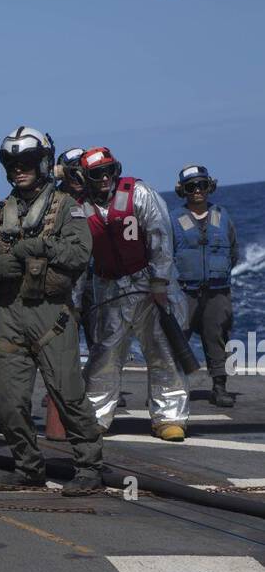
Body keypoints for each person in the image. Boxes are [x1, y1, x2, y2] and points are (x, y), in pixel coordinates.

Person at [0, 127, 103, 495]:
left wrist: (38, 247)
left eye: (25, 162)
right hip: (9, 314)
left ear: (42, 163)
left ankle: (88, 465)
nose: (18, 170)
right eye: (12, 164)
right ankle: (28, 466)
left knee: (68, 394)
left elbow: (78, 256)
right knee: (5, 397)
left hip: (51, 315)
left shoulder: (67, 208)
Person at [78, 146, 190, 441]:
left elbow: (160, 236)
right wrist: (74, 300)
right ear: (85, 177)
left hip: (148, 284)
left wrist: (160, 281)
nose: (103, 179)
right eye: (96, 174)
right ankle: (97, 416)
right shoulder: (79, 208)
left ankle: (169, 417)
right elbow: (76, 258)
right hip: (109, 289)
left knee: (162, 350)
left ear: (115, 171)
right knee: (105, 353)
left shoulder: (140, 194)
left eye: (108, 172)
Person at [171, 164, 240, 408]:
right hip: (184, 293)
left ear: (209, 186)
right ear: (183, 191)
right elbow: (165, 255)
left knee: (217, 337)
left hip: (217, 291)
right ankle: (172, 389)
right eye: (191, 187)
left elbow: (233, 252)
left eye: (202, 185)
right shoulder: (174, 220)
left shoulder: (223, 216)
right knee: (176, 340)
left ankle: (220, 387)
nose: (197, 191)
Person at [54, 148, 95, 348]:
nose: (79, 177)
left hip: (96, 280)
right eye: (73, 172)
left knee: (100, 339)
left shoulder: (98, 196)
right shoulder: (53, 199)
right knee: (64, 340)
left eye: (83, 171)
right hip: (65, 279)